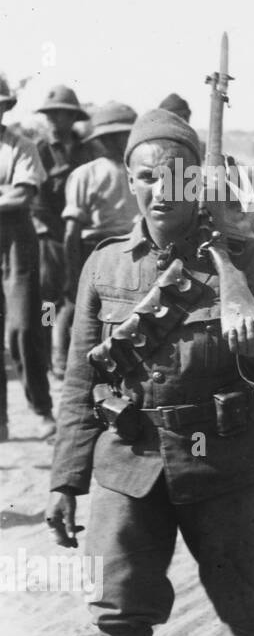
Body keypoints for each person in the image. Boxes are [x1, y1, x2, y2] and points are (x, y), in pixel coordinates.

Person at [45, 108, 254, 636]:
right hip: (129, 459)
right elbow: (79, 380)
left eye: (175, 176)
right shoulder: (103, 264)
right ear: (130, 180)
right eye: (145, 176)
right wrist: (66, 481)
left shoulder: (244, 260)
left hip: (222, 458)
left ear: (199, 181)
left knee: (240, 592)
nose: (160, 191)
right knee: (120, 607)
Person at [0, 76, 55, 440]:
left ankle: (41, 408)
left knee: (22, 328)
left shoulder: (21, 146)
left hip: (16, 243)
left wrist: (9, 193)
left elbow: (21, 197)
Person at [34, 85, 93, 378]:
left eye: (62, 115)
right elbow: (36, 199)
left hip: (83, 236)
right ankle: (48, 355)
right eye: (51, 115)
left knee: (79, 296)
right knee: (49, 300)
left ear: (73, 118)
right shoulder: (39, 151)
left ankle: (72, 356)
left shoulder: (88, 150)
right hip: (50, 236)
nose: (56, 120)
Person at [62, 103, 139, 303]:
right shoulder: (84, 174)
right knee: (57, 303)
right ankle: (49, 327)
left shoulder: (142, 173)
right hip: (96, 250)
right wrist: (72, 275)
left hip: (136, 251)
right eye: (114, 136)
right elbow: (71, 232)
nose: (119, 141)